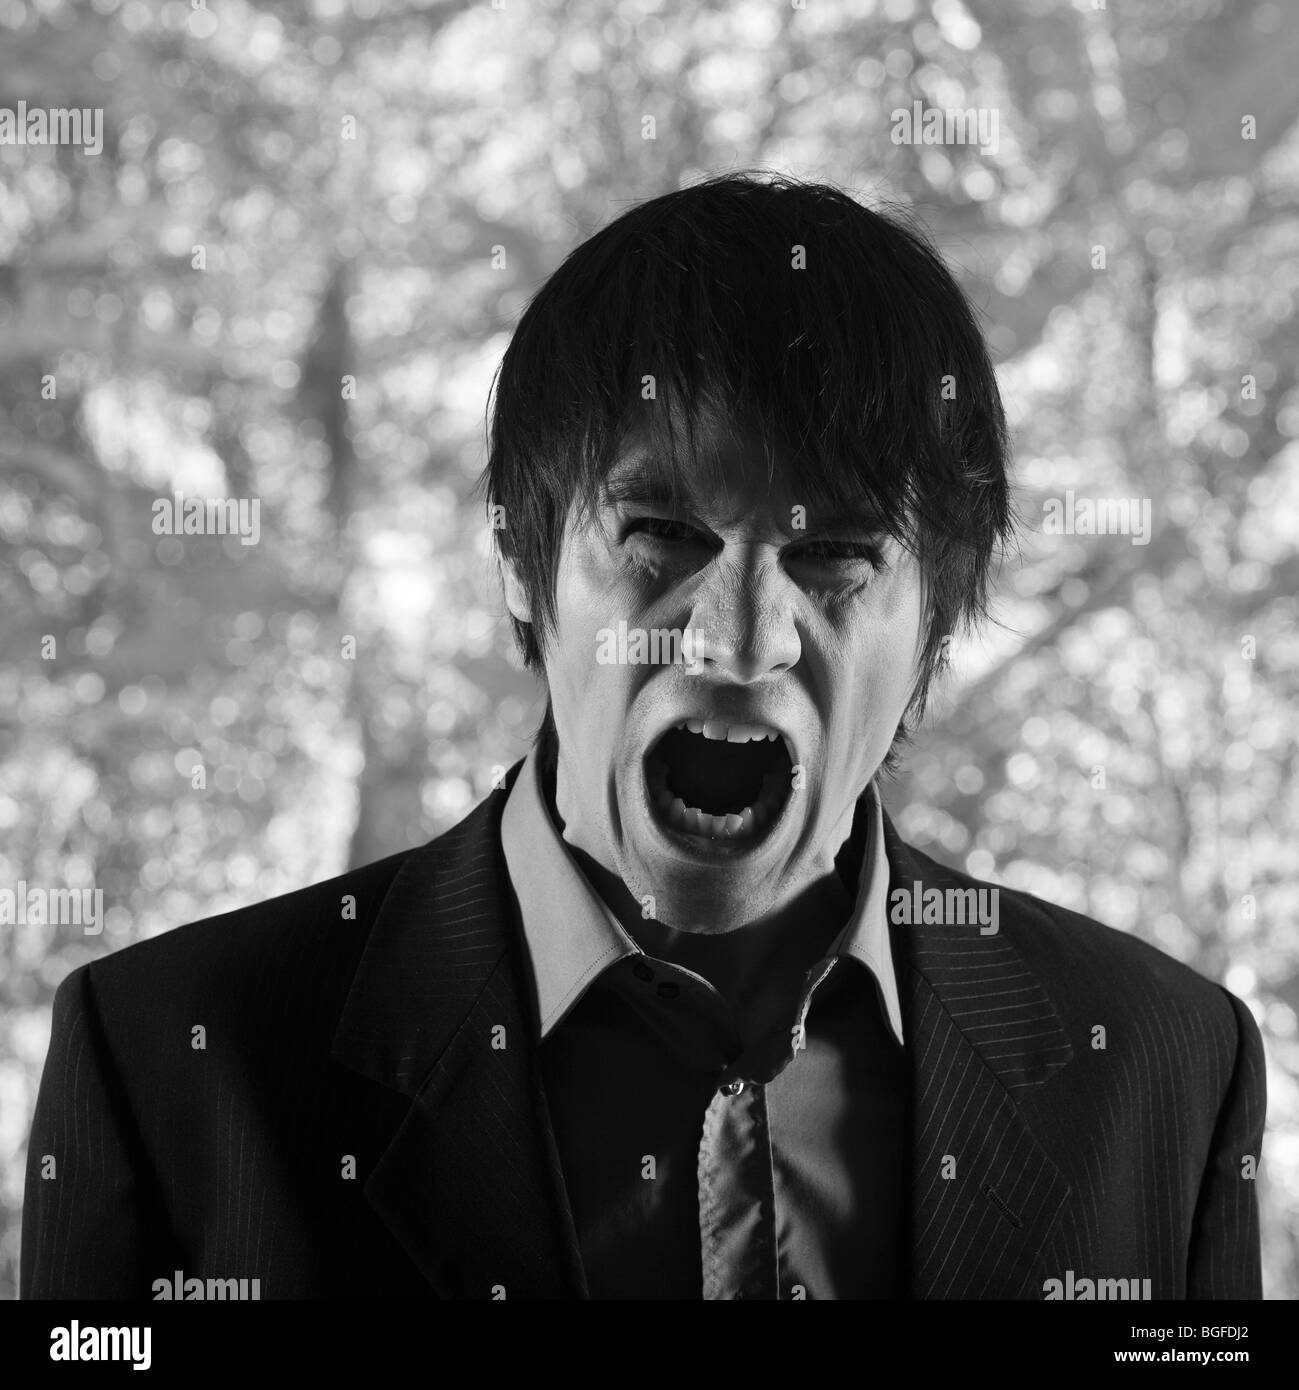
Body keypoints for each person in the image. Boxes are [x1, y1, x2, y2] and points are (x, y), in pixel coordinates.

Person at [22, 173, 1264, 1300]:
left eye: (833, 556)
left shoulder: (1167, 1075)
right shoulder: (171, 1067)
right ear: (520, 556)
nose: (735, 640)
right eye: (660, 537)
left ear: (938, 616)